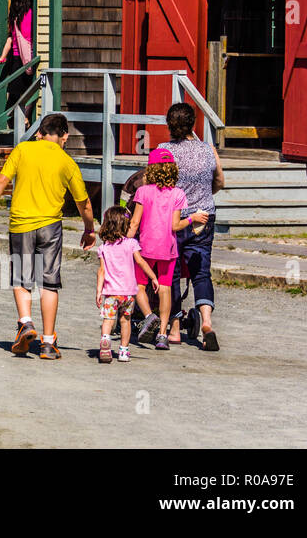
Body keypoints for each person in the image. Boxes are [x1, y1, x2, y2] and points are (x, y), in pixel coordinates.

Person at [0, 112, 95, 359]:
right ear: (65, 136)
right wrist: (89, 229)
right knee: (49, 283)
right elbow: (84, 203)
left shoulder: (22, 150)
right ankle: (48, 343)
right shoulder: (67, 162)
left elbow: (1, 181)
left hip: (21, 225)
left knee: (21, 279)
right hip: (51, 227)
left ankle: (27, 323)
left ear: (39, 132)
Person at [128, 148, 207, 349]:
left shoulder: (142, 192)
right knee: (165, 288)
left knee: (140, 285)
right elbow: (175, 226)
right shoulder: (178, 194)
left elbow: (135, 222)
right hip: (168, 250)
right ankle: (163, 334)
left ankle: (148, 317)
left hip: (145, 248)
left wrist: (123, 242)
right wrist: (192, 219)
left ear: (151, 170)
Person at [160, 102, 224, 351]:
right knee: (201, 272)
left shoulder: (164, 151)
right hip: (205, 216)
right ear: (193, 125)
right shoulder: (208, 150)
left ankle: (174, 329)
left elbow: (156, 184)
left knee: (172, 273)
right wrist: (205, 196)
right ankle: (207, 322)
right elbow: (219, 181)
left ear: (170, 125)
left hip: (175, 219)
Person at [95, 205, 159, 363]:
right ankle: (123, 351)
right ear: (126, 225)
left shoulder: (103, 248)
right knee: (125, 321)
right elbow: (141, 262)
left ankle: (105, 339)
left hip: (110, 293)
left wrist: (98, 291)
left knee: (108, 320)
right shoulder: (131, 244)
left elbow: (101, 272)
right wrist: (153, 277)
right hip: (128, 293)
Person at [0, 0, 35, 119]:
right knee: (20, 92)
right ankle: (21, 120)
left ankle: (23, 119)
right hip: (24, 58)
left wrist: (3, 56)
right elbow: (11, 38)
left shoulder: (19, 16)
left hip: (21, 59)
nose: (16, 3)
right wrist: (2, 57)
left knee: (20, 92)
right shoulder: (25, 15)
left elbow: (9, 39)